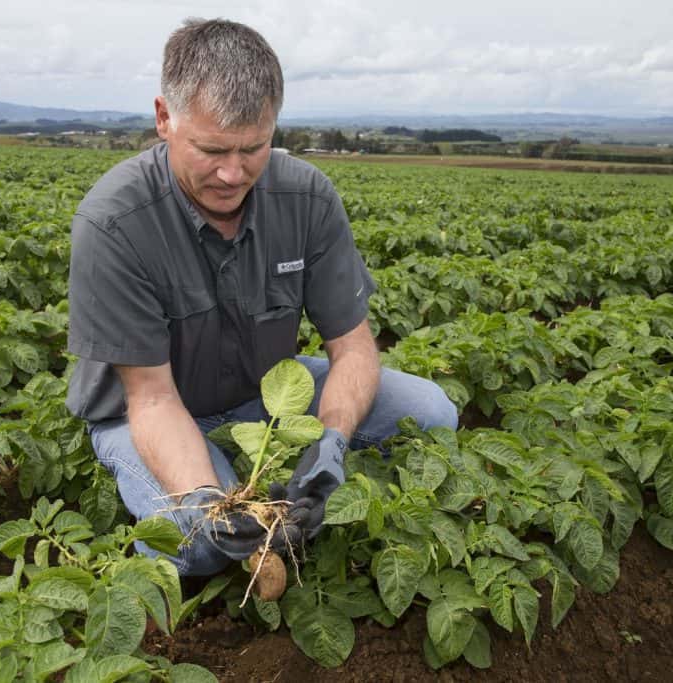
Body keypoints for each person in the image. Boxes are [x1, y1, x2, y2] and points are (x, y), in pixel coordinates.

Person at [65, 18, 458, 576]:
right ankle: (217, 497)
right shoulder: (115, 223)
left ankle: (301, 485)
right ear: (163, 119)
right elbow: (151, 401)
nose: (233, 173)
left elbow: (353, 347)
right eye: (211, 149)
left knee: (432, 414)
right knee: (200, 542)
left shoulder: (308, 197)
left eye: (254, 148)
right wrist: (208, 500)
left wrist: (331, 443)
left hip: (265, 397)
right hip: (145, 410)